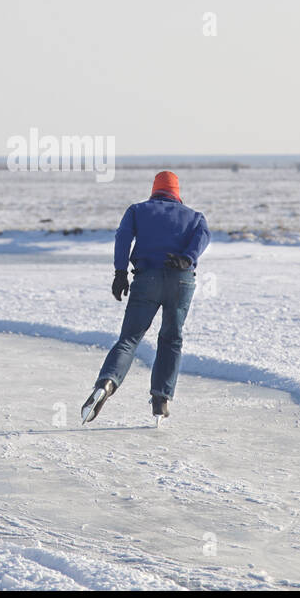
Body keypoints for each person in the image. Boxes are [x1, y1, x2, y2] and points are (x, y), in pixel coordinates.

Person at [81, 170, 210, 424]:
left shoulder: (138, 211)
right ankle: (161, 399)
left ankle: (106, 384)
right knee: (171, 338)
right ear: (177, 191)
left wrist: (120, 273)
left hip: (146, 279)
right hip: (181, 280)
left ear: (155, 189)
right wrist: (187, 258)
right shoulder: (195, 216)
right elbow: (203, 236)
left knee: (129, 339)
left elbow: (123, 238)